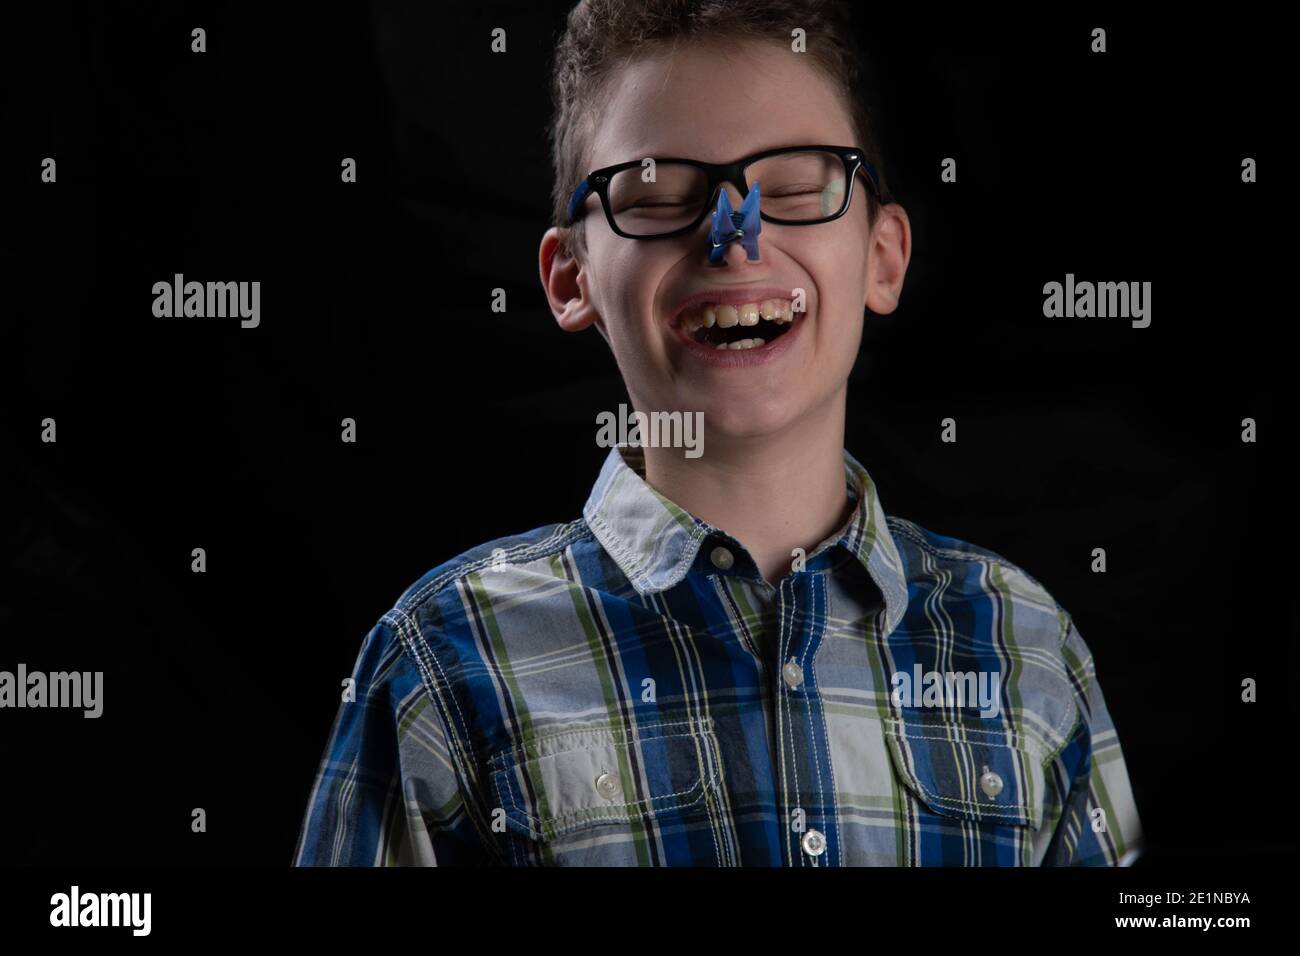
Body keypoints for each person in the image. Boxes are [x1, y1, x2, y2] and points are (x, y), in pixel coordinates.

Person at [293, 0, 1142, 866]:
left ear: (882, 258)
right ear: (570, 279)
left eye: (796, 187)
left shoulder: (1024, 647)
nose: (734, 241)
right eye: (659, 194)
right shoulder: (440, 667)